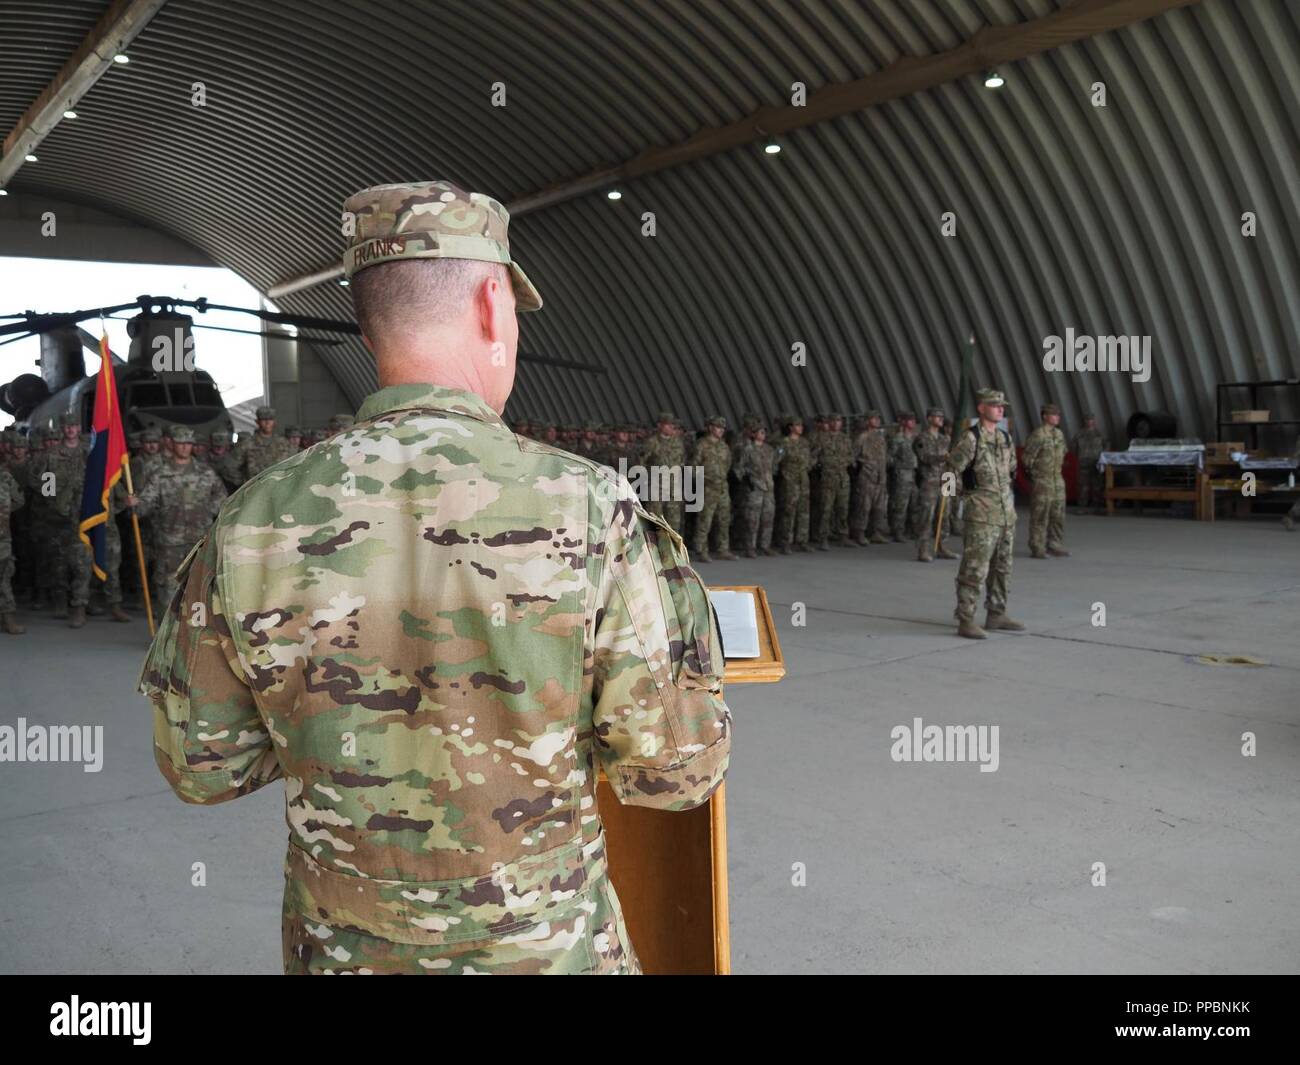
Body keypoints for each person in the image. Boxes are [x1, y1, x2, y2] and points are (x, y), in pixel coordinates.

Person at [138, 179, 732, 976]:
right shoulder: (589, 507)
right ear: (493, 303)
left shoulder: (253, 520)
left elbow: (201, 765)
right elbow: (676, 770)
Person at [944, 389, 1024, 640]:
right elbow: (950, 468)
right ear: (981, 408)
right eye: (994, 405)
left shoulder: (1004, 438)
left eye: (1002, 406)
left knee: (1002, 568)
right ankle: (966, 619)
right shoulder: (971, 438)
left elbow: (1011, 469)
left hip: (1005, 515)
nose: (1000, 409)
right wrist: (953, 497)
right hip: (980, 514)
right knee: (975, 568)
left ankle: (996, 613)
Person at [127, 425, 227, 609]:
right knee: (168, 591)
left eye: (188, 443)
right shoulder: (160, 475)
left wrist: (204, 513)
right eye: (180, 443)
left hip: (199, 541)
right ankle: (166, 637)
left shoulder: (205, 473)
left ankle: (195, 636)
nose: (184, 447)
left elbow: (222, 500)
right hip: (169, 543)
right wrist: (135, 504)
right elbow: (144, 508)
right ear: (172, 444)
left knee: (200, 589)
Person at [1023, 403, 1070, 559]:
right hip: (1043, 480)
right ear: (1044, 416)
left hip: (1057, 480)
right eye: (1053, 414)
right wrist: (1035, 477)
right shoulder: (1038, 435)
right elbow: (1027, 459)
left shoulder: (1059, 434)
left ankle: (1054, 544)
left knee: (1058, 515)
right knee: (1040, 515)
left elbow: (1063, 454)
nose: (1057, 417)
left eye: (1058, 414)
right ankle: (1038, 546)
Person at [914, 407, 958, 562]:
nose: (940, 419)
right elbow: (924, 457)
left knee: (945, 515)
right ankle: (923, 549)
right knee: (927, 514)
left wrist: (952, 482)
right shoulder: (922, 438)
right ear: (929, 418)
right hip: (930, 481)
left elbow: (951, 461)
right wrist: (943, 457)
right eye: (937, 416)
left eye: (941, 416)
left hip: (946, 479)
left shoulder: (945, 439)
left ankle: (941, 546)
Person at [691, 415, 735, 563]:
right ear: (710, 428)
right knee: (705, 520)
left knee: (724, 519)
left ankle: (723, 549)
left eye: (722, 428)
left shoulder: (724, 446)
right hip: (707, 488)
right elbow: (693, 467)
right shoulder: (701, 445)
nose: (721, 430)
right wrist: (703, 481)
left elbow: (728, 464)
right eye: (718, 427)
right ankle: (701, 550)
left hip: (722, 487)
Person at [1072, 413, 1106, 513]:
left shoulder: (1099, 434)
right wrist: (1079, 456)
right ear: (1085, 421)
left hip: (1096, 461)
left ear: (1094, 421)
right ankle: (1082, 506)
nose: (1089, 421)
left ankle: (1098, 506)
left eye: (1091, 420)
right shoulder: (1079, 434)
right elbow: (1073, 447)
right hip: (1083, 462)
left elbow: (1106, 445)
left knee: (1098, 485)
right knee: (1083, 485)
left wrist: (1102, 457)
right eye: (1087, 420)